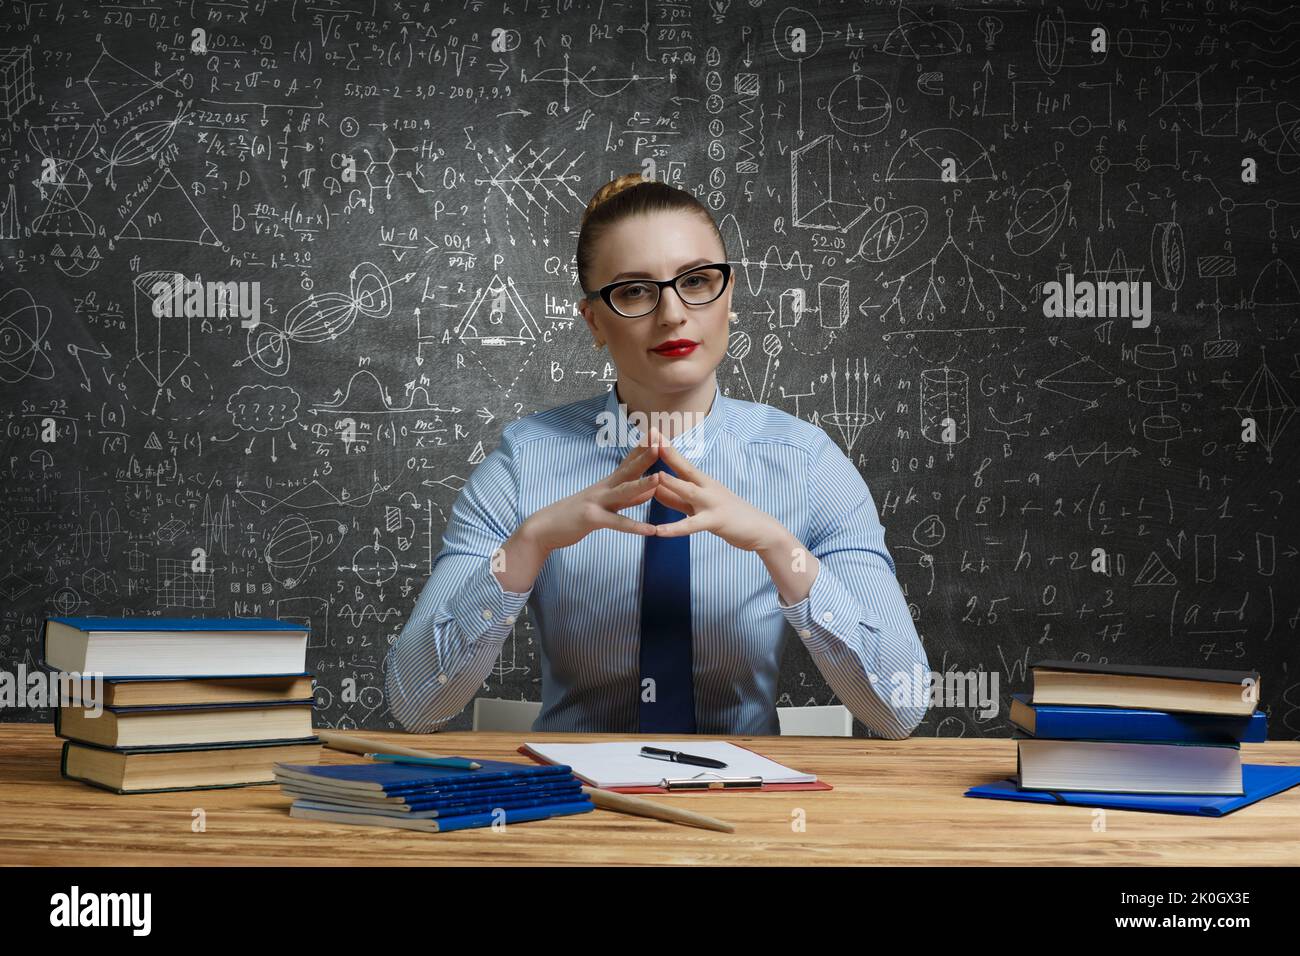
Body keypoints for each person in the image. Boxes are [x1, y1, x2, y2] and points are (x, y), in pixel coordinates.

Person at [384, 173, 930, 737]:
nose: (671, 314)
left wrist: (779, 546)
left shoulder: (808, 464)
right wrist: (527, 546)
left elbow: (899, 709)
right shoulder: (524, 464)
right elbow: (415, 704)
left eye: (695, 281)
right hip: (575, 804)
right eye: (635, 291)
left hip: (749, 804)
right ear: (594, 320)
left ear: (729, 295)